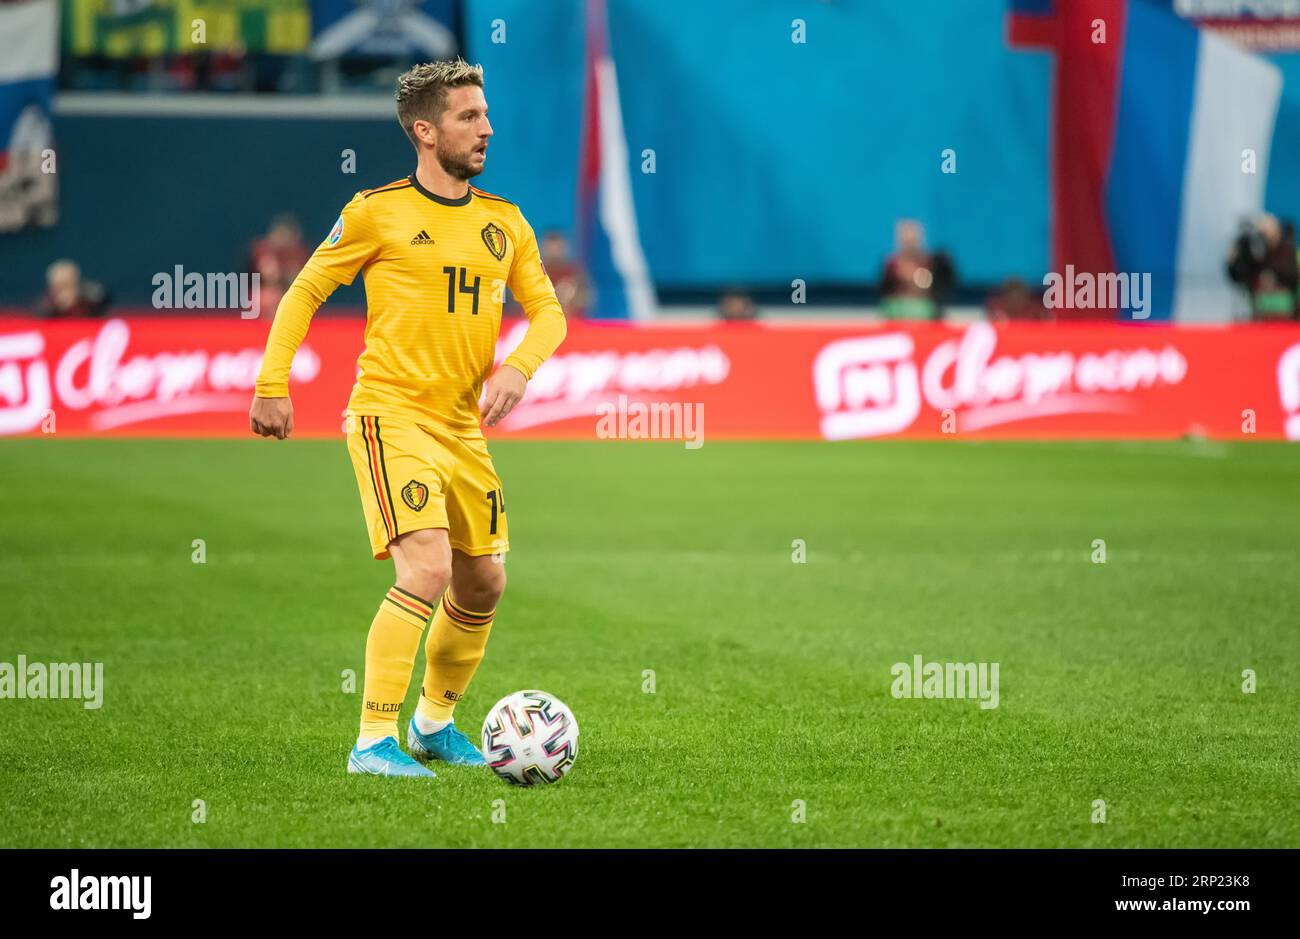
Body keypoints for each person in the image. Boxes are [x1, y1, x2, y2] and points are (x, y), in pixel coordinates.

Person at [248, 59, 566, 778]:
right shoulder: (375, 211)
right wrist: (273, 383)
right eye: (467, 117)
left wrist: (518, 367)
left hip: (462, 427)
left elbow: (547, 312)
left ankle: (432, 724)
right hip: (391, 414)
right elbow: (303, 292)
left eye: (485, 114)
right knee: (426, 566)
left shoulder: (505, 223)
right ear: (424, 131)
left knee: (483, 581)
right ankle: (371, 741)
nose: (487, 128)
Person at [879, 220, 955, 320]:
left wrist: (914, 278)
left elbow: (929, 289)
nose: (909, 242)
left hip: (923, 308)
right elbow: (885, 293)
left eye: (912, 238)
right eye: (905, 238)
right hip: (898, 308)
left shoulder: (929, 263)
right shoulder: (891, 264)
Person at [1227, 213, 1298, 319]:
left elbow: (1291, 276)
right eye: (1261, 233)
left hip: (1286, 310)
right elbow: (1239, 277)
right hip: (1258, 310)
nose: (1265, 236)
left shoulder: (1286, 251)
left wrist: (1270, 271)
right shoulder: (1253, 253)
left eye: (1267, 232)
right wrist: (1233, 261)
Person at [539, 229, 591, 317]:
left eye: (557, 248)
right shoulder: (535, 272)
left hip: (572, 323)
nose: (554, 252)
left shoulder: (574, 273)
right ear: (543, 248)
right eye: (551, 248)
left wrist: (571, 297)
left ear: (564, 248)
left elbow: (588, 299)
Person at [33, 260, 109, 318]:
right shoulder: (48, 305)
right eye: (59, 286)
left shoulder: (88, 303)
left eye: (67, 284)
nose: (64, 291)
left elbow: (102, 298)